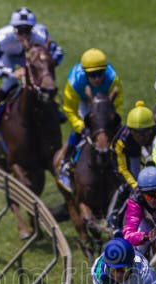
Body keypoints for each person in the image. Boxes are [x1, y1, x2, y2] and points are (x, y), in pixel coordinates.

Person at [0, 7, 64, 132]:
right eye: (20, 31)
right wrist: (11, 73)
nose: (24, 35)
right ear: (13, 29)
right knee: (10, 82)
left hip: (31, 60)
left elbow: (59, 54)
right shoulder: (0, 37)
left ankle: (54, 107)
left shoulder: (42, 34)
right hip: (8, 58)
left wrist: (43, 68)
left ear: (33, 29)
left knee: (44, 82)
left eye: (27, 30)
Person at [57, 48, 124, 191]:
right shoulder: (74, 82)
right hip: (85, 103)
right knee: (82, 130)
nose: (97, 79)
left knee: (118, 132)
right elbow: (69, 109)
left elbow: (118, 104)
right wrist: (81, 127)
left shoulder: (112, 79)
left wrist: (112, 122)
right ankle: (66, 162)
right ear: (85, 73)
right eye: (92, 75)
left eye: (100, 73)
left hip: (106, 103)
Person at [108, 101, 156, 226]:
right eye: (136, 133)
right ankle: (115, 214)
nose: (141, 137)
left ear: (152, 129)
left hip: (154, 148)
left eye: (145, 132)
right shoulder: (121, 140)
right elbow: (122, 169)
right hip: (131, 152)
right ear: (129, 130)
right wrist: (135, 185)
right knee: (130, 185)